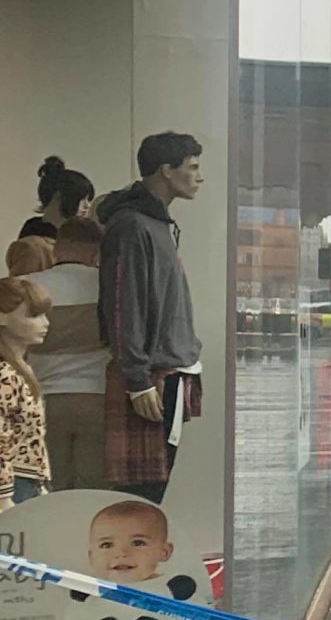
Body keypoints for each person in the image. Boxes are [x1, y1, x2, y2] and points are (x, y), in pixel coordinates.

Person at [96, 131, 203, 503]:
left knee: (152, 487)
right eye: (192, 167)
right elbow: (124, 303)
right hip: (151, 376)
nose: (199, 176)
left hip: (167, 370)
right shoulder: (132, 226)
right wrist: (137, 379)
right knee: (140, 493)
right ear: (166, 171)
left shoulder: (155, 224)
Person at [18, 219, 106, 490]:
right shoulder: (109, 286)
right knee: (92, 491)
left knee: (48, 489)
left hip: (41, 400)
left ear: (57, 250)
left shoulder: (23, 287)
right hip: (97, 398)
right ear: (96, 252)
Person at [0, 275, 53, 510]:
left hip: (27, 480)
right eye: (33, 315)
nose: (45, 323)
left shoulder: (19, 369)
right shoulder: (5, 374)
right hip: (13, 485)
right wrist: (3, 499)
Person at [17, 156, 95, 244]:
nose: (87, 205)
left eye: (88, 200)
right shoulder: (32, 242)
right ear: (58, 196)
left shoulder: (82, 236)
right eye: (82, 199)